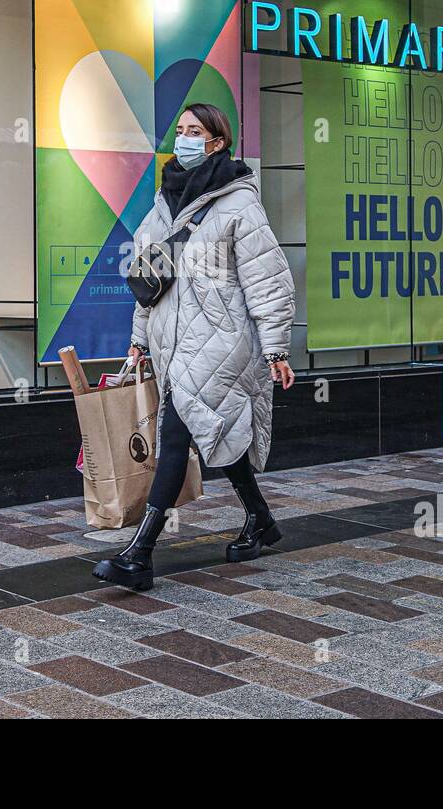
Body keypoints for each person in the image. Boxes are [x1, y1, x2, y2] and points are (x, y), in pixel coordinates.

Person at [92, 103, 296, 591]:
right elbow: (150, 284)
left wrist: (276, 349)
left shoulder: (239, 204)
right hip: (171, 347)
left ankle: (139, 555)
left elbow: (269, 280)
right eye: (179, 130)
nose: (184, 138)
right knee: (215, 432)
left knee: (178, 435)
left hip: (221, 344)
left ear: (217, 142)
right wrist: (139, 341)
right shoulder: (164, 204)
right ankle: (261, 521)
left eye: (195, 131)